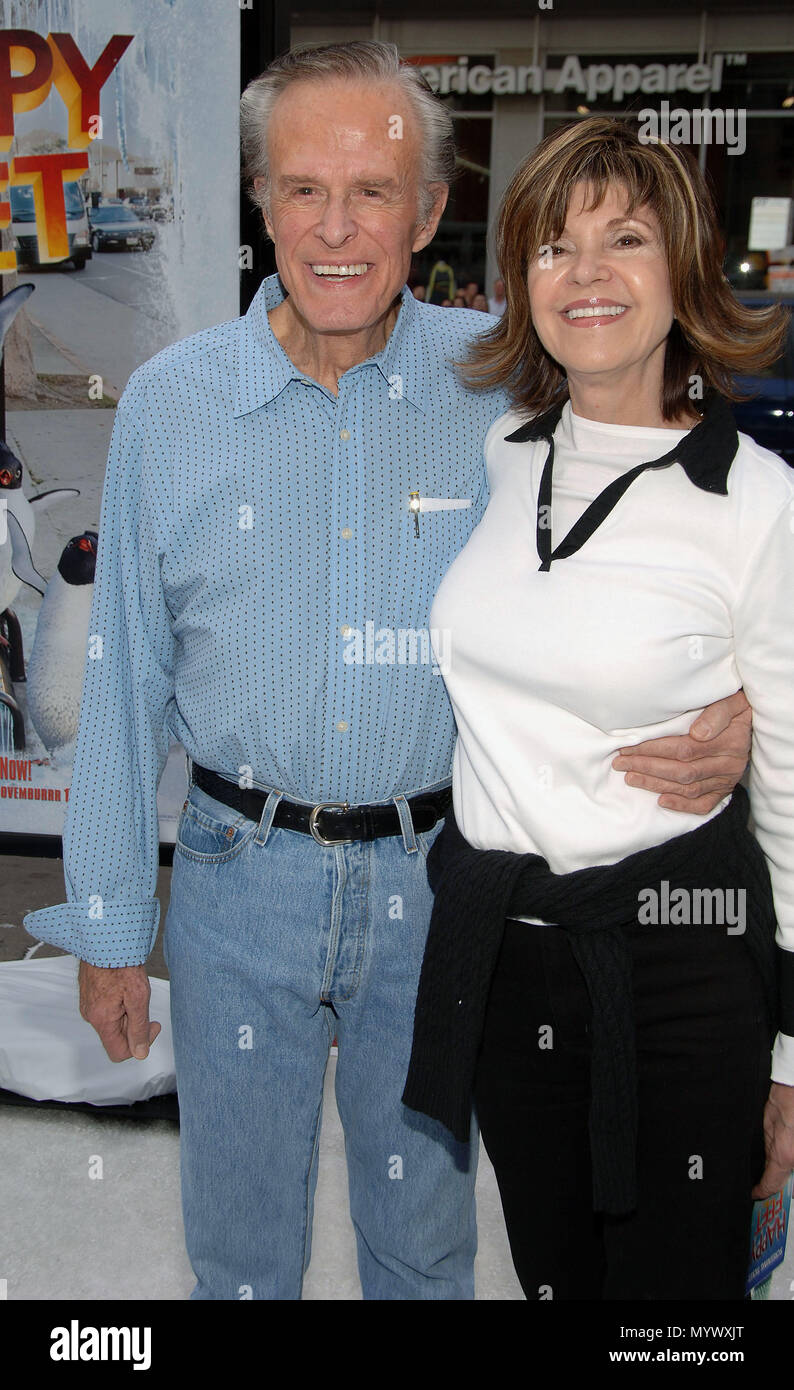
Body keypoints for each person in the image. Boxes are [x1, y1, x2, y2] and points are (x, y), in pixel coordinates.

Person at [23, 48, 751, 1302]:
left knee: (422, 1249)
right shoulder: (170, 405)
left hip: (441, 892)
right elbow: (126, 673)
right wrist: (105, 928)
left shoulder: (507, 384)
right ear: (260, 201)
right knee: (238, 1255)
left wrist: (735, 701)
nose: (338, 228)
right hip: (231, 884)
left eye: (376, 192)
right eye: (305, 190)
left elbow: (670, 508)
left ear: (427, 212)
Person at [403, 116, 794, 1301]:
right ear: (517, 281)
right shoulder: (504, 449)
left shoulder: (755, 499)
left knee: (671, 1315)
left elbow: (789, 795)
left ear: (681, 265)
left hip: (679, 966)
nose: (585, 274)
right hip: (505, 958)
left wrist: (791, 1054)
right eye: (552, 247)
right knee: (553, 1284)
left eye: (623, 238)